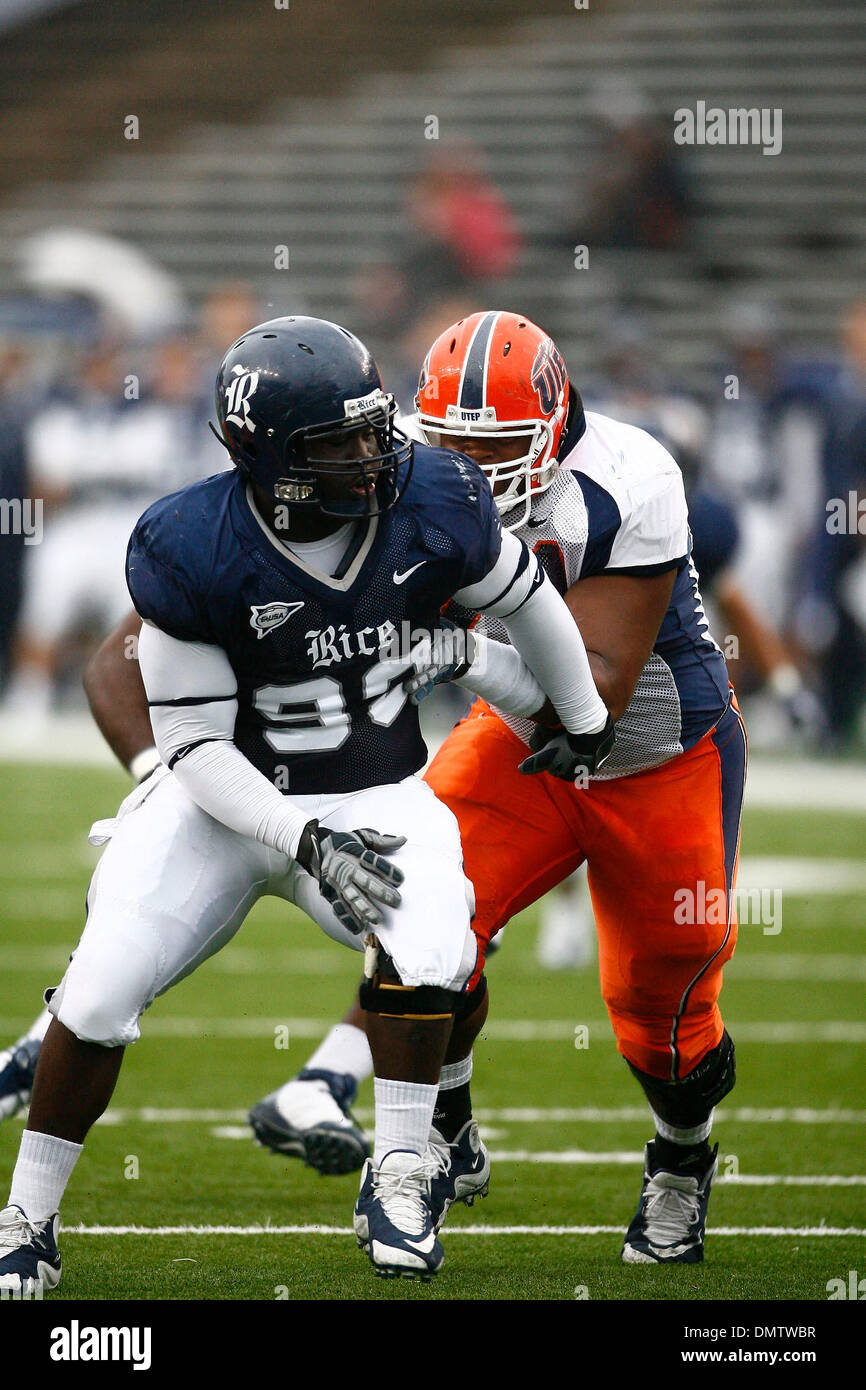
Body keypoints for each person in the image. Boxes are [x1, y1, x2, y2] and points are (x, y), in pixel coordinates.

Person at [0, 314, 614, 1292]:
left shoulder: (432, 497)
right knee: (101, 988)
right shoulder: (191, 544)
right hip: (223, 807)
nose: (373, 455)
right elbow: (194, 745)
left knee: (439, 940)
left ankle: (403, 1170)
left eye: (374, 429)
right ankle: (26, 1216)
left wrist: (579, 715)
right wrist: (302, 837)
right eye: (340, 442)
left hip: (373, 786)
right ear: (266, 454)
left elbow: (526, 597)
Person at [249, 309, 748, 1265]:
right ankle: (448, 1128)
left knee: (665, 1009)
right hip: (518, 736)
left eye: (500, 447)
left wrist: (442, 645)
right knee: (417, 910)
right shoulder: (392, 474)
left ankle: (681, 1160)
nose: (473, 471)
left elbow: (590, 686)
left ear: (557, 425)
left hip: (654, 752)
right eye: (455, 446)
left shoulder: (626, 481)